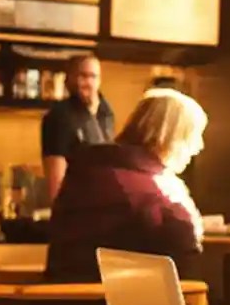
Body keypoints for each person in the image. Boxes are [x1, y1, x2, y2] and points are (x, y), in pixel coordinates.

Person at [46, 88, 207, 285]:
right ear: (170, 136)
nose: (199, 146)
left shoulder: (98, 166)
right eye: (193, 135)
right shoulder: (141, 184)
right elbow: (185, 239)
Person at [41, 54, 114, 202]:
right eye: (81, 76)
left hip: (104, 202)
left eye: (93, 76)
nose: (87, 83)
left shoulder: (106, 112)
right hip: (77, 205)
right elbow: (56, 177)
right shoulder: (59, 116)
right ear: (68, 80)